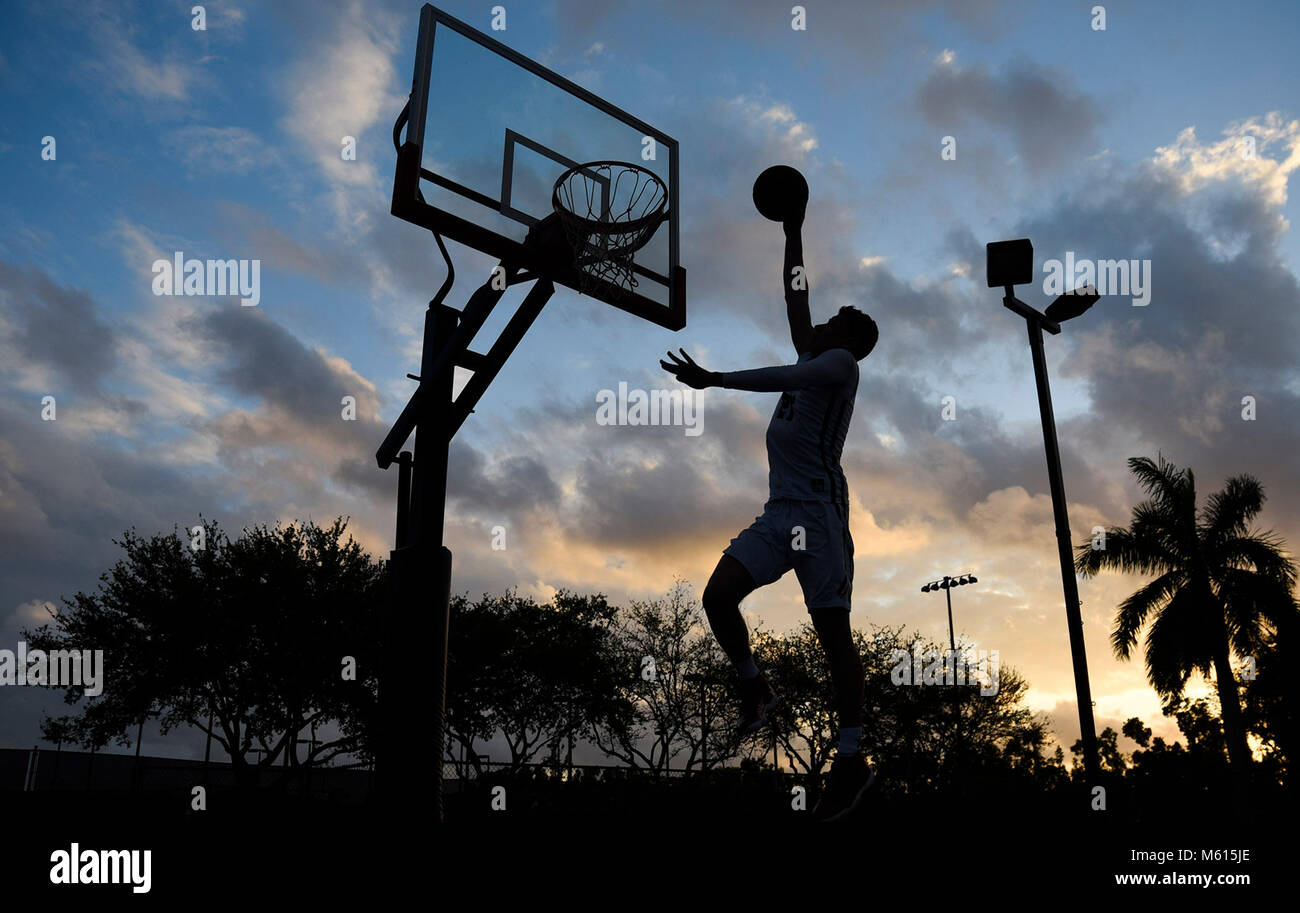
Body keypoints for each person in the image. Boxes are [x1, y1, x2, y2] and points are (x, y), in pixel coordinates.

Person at [659, 196, 878, 822]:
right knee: (716, 597)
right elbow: (795, 296)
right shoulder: (815, 352)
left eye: (836, 318)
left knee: (833, 635)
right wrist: (795, 228)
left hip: (820, 514)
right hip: (780, 511)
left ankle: (853, 753)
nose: (823, 318)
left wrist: (716, 380)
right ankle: (755, 684)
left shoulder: (839, 365)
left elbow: (788, 361)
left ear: (851, 340)